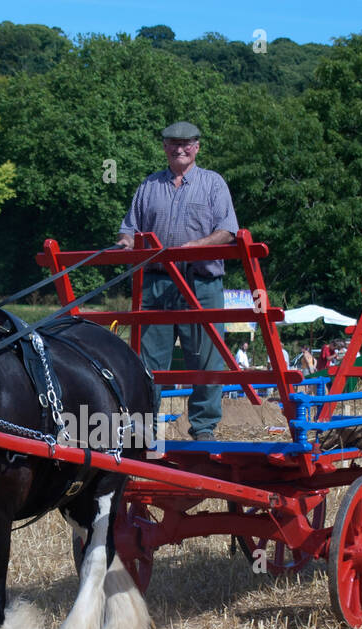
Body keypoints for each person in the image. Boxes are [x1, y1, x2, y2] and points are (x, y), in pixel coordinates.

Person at [116, 121, 238, 441]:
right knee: (146, 362)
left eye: (186, 143)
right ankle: (141, 430)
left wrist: (195, 247)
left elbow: (227, 231)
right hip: (157, 283)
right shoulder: (149, 186)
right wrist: (123, 245)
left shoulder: (213, 184)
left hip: (201, 282)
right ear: (164, 147)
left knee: (206, 358)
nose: (179, 148)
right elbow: (129, 230)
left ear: (197, 147)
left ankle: (204, 429)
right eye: (172, 143)